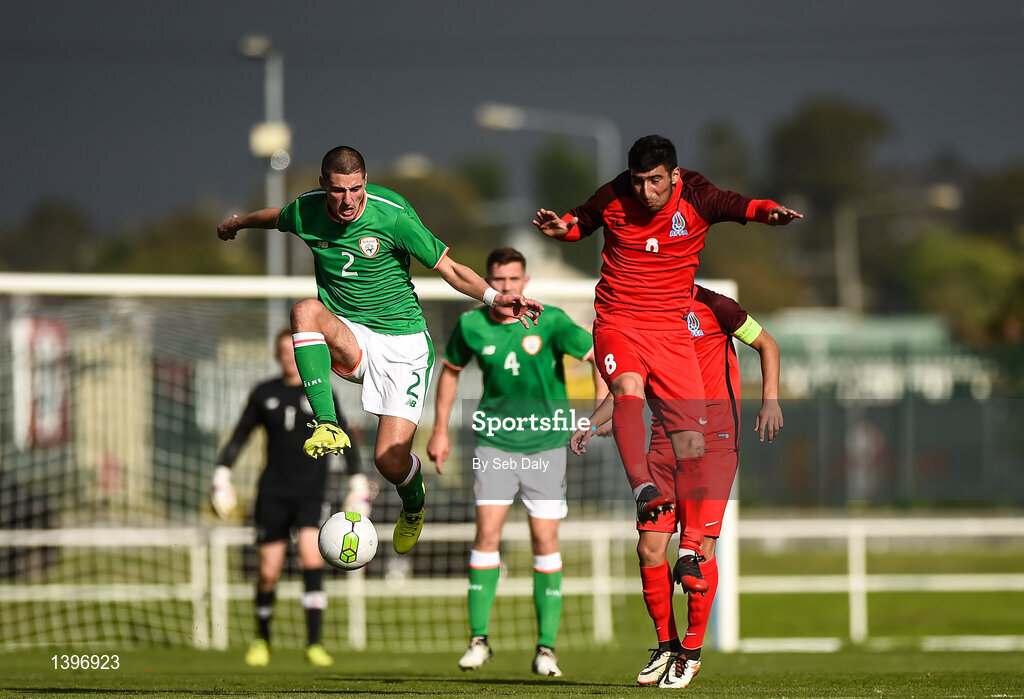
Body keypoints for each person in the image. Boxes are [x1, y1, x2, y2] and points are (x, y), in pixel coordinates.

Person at [218, 146, 543, 556]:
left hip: (403, 345)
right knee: (304, 311)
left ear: (365, 182)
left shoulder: (393, 215)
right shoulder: (307, 210)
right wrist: (238, 223)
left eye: (356, 189)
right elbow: (277, 216)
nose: (348, 200)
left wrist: (495, 298)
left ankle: (414, 503)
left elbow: (450, 268)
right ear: (323, 186)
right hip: (352, 335)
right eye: (338, 190)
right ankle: (327, 423)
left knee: (388, 462)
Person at [534, 134, 800, 594]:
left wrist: (768, 212)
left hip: (670, 333)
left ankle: (690, 554)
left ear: (674, 175)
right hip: (619, 321)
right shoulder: (614, 194)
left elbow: (739, 205)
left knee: (691, 443)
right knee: (628, 388)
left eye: (655, 181)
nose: (646, 191)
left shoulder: (699, 209)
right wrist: (563, 228)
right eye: (638, 181)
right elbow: (580, 222)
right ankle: (643, 490)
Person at [571, 283, 783, 689]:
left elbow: (767, 344)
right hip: (662, 443)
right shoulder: (645, 317)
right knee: (649, 548)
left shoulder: (716, 306)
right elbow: (628, 387)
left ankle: (692, 652)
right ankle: (666, 647)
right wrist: (592, 423)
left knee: (700, 550)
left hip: (715, 443)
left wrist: (770, 399)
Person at [426, 247, 608, 678]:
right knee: (487, 533)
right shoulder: (471, 324)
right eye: (499, 280)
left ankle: (546, 649)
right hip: (494, 443)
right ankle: (478, 640)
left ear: (525, 282)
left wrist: (600, 409)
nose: (507, 286)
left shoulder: (552, 321)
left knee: (544, 540)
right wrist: (439, 429)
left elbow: (598, 355)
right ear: (489, 282)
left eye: (513, 279)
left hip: (546, 444)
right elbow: (449, 370)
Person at [210, 328, 366, 667]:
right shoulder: (264, 392)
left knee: (312, 559)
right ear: (276, 355)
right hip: (273, 492)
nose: (289, 357)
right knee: (268, 572)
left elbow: (343, 433)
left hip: (311, 492)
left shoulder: (321, 392)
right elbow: (240, 435)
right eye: (283, 351)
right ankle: (262, 640)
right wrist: (221, 475)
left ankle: (314, 643)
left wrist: (358, 481)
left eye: (293, 351)